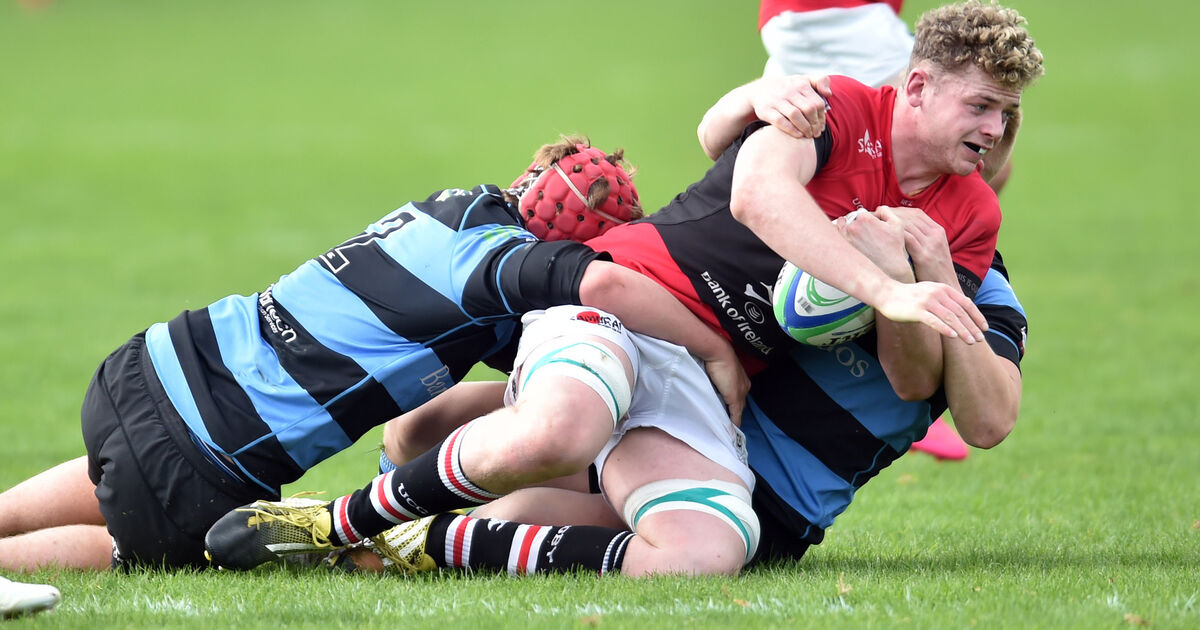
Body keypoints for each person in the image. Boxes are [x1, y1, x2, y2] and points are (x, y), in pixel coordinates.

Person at [205, 0, 1038, 578]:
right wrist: (881, 287)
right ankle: (336, 521)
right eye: (983, 105)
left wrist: (910, 276)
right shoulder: (842, 108)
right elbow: (756, 191)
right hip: (621, 302)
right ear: (918, 86)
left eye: (1008, 114)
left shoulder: (967, 215)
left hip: (707, 383)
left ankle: (418, 546)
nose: (995, 130)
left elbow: (934, 382)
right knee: (560, 430)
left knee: (703, 551)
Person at [0, 136, 752, 572]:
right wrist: (716, 349)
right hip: (211, 445)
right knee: (142, 549)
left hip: (152, 360)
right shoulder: (501, 267)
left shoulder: (447, 208)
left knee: (117, 473)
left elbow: (488, 395)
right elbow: (608, 282)